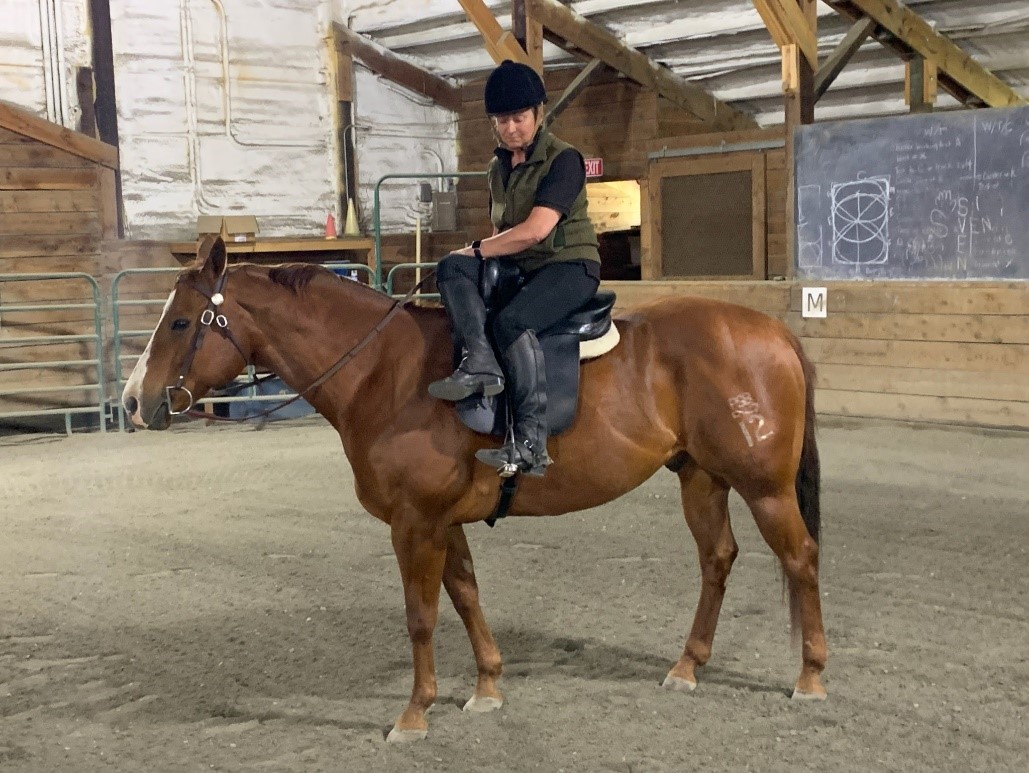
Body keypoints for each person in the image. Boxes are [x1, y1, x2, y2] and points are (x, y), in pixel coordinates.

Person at [428, 59, 601, 477]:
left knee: (510, 322)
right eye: (501, 120)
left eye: (518, 118)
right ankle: (480, 362)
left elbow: (536, 230)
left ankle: (529, 443)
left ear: (539, 114)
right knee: (449, 268)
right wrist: (472, 258)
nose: (510, 128)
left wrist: (479, 249)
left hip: (569, 266)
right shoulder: (496, 169)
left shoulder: (564, 160)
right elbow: (500, 230)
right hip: (523, 266)